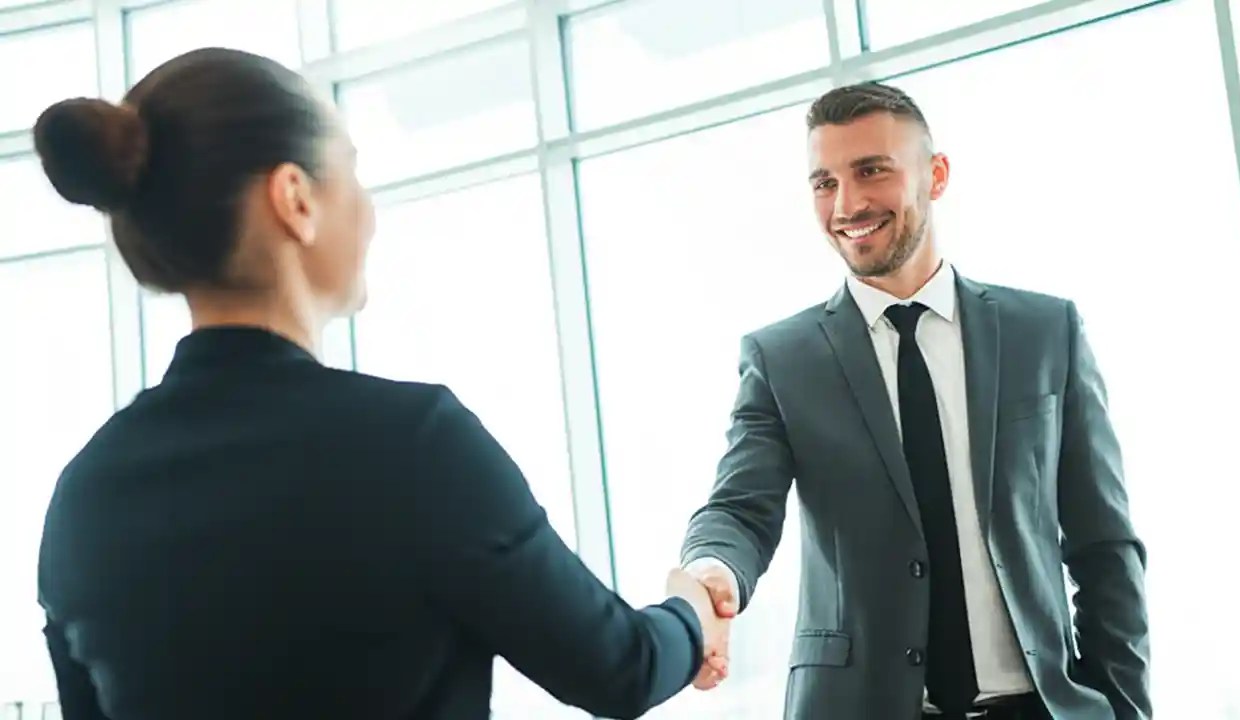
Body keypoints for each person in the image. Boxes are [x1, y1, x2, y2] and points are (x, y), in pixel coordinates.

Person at [33, 47, 726, 720]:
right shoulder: (412, 445)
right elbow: (620, 668)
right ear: (295, 198)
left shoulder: (82, 499)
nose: (367, 210)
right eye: (352, 174)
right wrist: (690, 607)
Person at [678, 82, 1150, 719]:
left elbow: (1103, 545)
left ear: (936, 175)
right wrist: (713, 571)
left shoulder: (1045, 332)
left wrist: (1123, 707)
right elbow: (739, 508)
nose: (847, 203)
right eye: (824, 182)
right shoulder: (782, 359)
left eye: (871, 170)